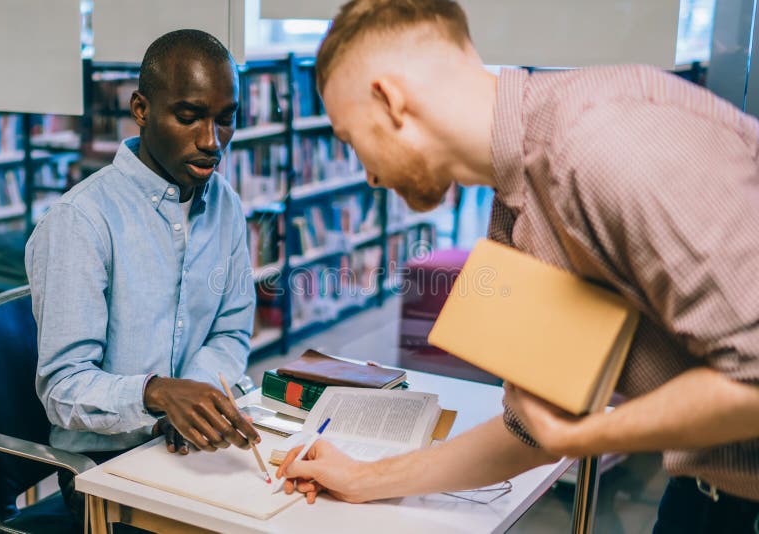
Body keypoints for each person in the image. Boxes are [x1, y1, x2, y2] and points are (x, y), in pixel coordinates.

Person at [276, 1, 759, 531]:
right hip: (705, 489)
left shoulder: (603, 141)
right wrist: (366, 478)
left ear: (390, 101)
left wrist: (587, 438)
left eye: (353, 141)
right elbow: (529, 432)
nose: (367, 177)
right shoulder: (514, 199)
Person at [25, 29, 259, 524]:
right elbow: (63, 387)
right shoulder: (82, 221)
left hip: (186, 450)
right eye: (189, 117)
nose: (211, 142)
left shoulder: (227, 206)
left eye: (226, 120)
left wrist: (193, 401)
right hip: (101, 470)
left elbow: (230, 331)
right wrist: (156, 395)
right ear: (141, 109)